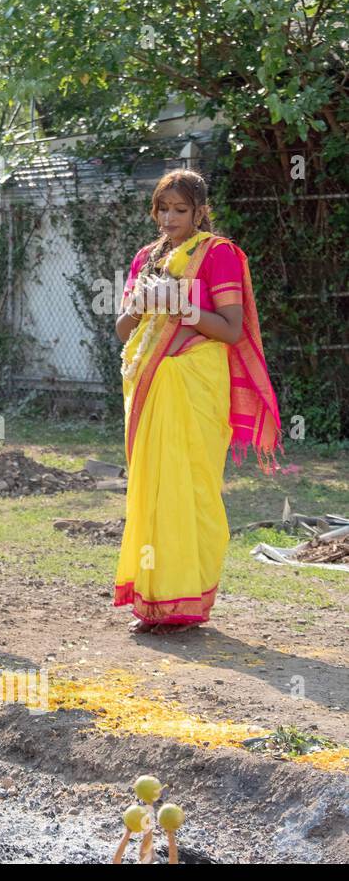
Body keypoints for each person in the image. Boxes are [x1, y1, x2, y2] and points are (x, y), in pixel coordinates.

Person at [114, 169, 280, 634]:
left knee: (191, 488)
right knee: (151, 489)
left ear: (200, 210)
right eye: (162, 209)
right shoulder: (146, 258)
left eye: (180, 210)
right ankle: (152, 603)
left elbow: (229, 329)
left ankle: (187, 602)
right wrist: (139, 306)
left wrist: (182, 306)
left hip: (194, 384)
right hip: (148, 385)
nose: (170, 219)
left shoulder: (219, 254)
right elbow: (122, 331)